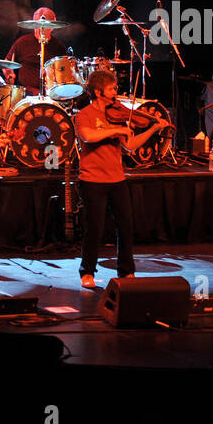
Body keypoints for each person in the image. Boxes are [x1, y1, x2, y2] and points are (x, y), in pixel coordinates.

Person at [72, 70, 170, 289]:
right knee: (94, 228)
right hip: (92, 179)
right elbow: (88, 136)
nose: (116, 92)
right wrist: (115, 129)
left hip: (117, 179)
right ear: (98, 92)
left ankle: (126, 270)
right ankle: (87, 271)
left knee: (126, 226)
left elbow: (130, 145)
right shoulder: (84, 115)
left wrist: (153, 127)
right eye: (112, 89)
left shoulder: (118, 114)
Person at [5, 6, 68, 95]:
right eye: (36, 25)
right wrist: (9, 75)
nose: (39, 29)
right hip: (25, 94)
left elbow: (64, 73)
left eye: (44, 27)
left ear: (52, 27)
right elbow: (7, 63)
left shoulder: (58, 47)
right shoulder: (22, 42)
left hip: (50, 93)